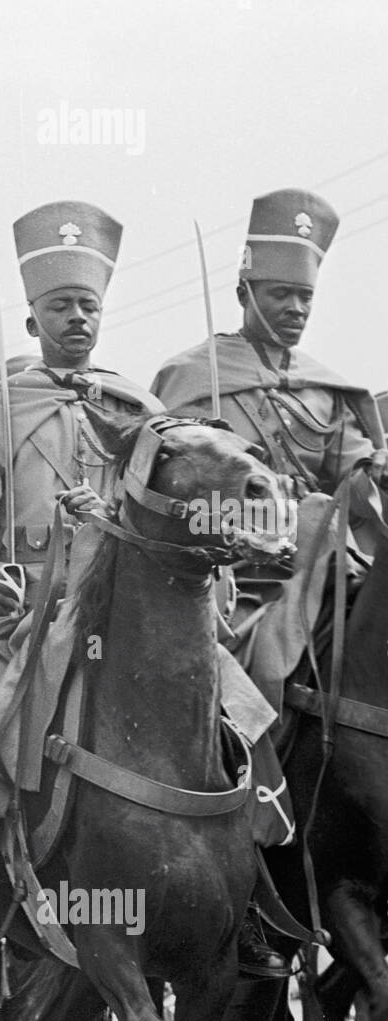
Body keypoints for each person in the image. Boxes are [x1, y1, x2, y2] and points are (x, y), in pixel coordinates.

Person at [0, 201, 164, 1006]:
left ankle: (249, 903)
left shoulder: (138, 409)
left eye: (87, 305)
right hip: (11, 624)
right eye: (60, 307)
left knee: (234, 720)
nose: (77, 317)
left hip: (115, 620)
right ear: (32, 317)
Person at [152, 189, 386, 977]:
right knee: (247, 682)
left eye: (304, 298)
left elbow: (357, 479)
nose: (293, 311)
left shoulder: (328, 388)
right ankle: (246, 860)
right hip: (241, 585)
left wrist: (365, 480)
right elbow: (176, 488)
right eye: (280, 295)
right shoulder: (194, 377)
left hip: (331, 573)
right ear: (244, 289)